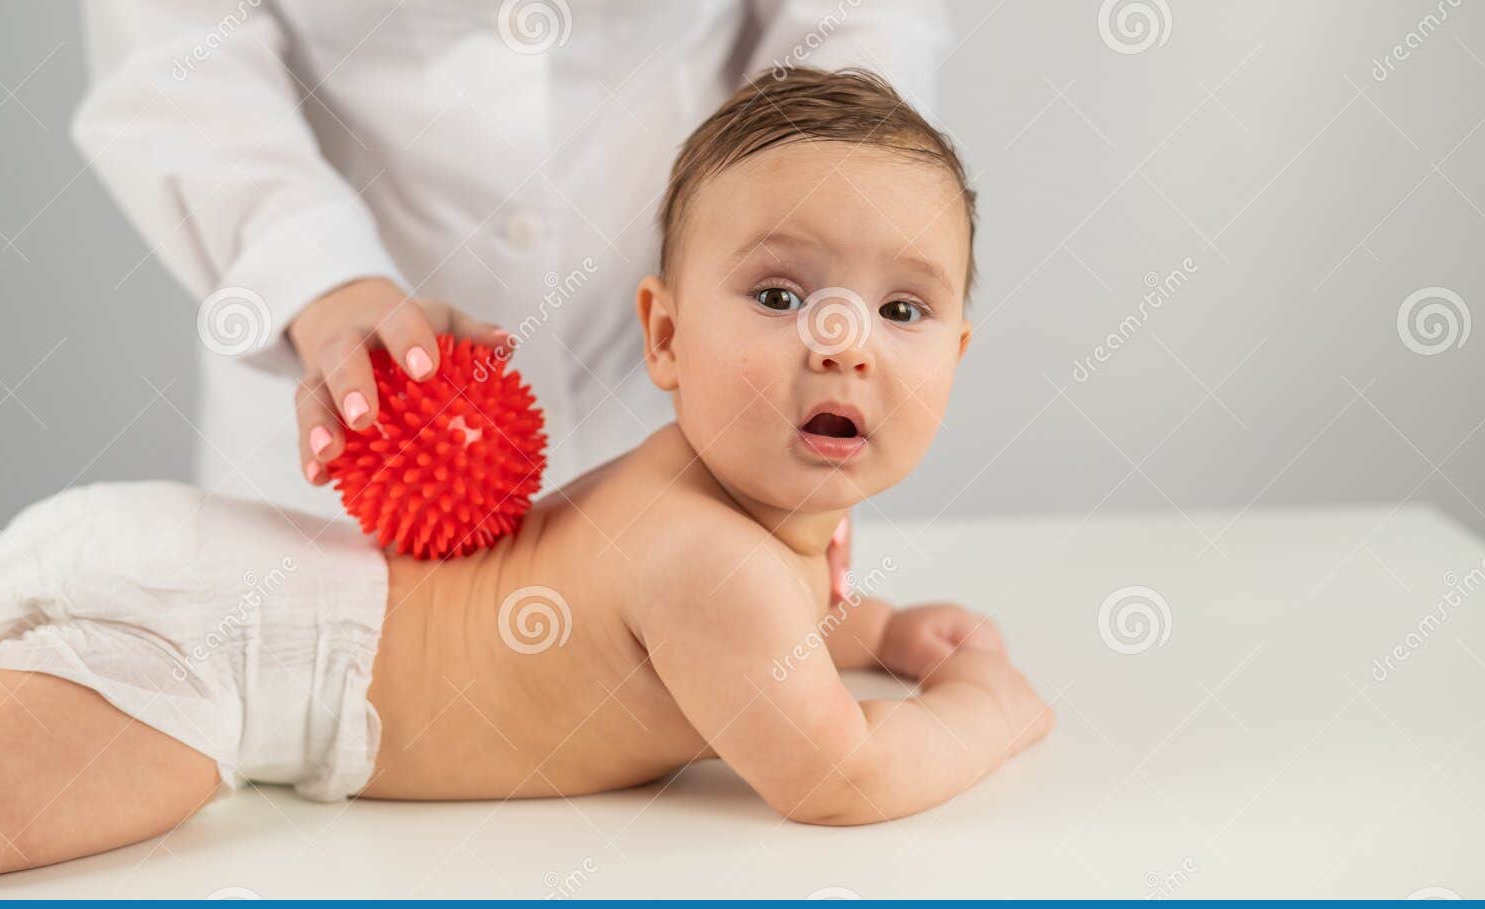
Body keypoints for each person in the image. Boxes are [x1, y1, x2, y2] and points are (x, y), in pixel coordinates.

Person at [0, 67, 1052, 882]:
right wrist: (981, 712)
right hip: (221, 657)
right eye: (780, 295)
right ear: (666, 341)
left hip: (202, 566)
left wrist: (880, 628)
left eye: (901, 308)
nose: (841, 337)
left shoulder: (700, 519)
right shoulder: (713, 565)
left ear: (954, 356)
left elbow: (771, 636)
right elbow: (833, 774)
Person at [72, 0, 954, 602]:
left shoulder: (720, 567)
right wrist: (318, 275)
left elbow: (855, 24)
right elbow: (174, 51)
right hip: (344, 422)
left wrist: (813, 248)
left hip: (674, 419)